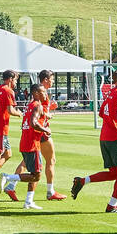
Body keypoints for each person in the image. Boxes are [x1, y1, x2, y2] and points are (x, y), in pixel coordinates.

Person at [72, 68, 117, 212]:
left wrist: (115, 124)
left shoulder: (110, 92)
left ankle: (82, 181)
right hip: (115, 138)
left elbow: (102, 112)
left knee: (114, 173)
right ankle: (112, 205)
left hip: (105, 137)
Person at [0, 84, 48, 209]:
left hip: (25, 142)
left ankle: (28, 201)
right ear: (36, 93)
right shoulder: (37, 105)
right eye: (43, 91)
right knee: (36, 175)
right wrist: (46, 130)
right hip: (33, 144)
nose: (45, 93)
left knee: (34, 173)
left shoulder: (30, 106)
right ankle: (8, 177)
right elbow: (33, 123)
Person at [36, 70, 65, 200]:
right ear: (46, 79)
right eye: (52, 79)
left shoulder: (40, 91)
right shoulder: (41, 92)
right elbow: (36, 109)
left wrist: (49, 108)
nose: (53, 81)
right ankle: (50, 192)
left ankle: (11, 185)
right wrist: (47, 114)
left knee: (28, 161)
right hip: (41, 129)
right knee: (51, 160)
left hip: (38, 129)